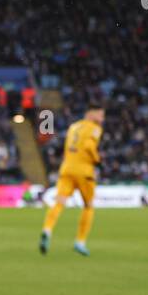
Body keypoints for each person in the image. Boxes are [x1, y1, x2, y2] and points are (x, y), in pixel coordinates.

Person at [40, 106, 104, 257]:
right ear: (91, 113)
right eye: (101, 114)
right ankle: (80, 241)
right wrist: (97, 159)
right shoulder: (94, 128)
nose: (102, 118)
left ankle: (47, 229)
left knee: (59, 202)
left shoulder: (73, 127)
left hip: (67, 168)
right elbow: (88, 146)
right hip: (84, 171)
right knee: (88, 206)